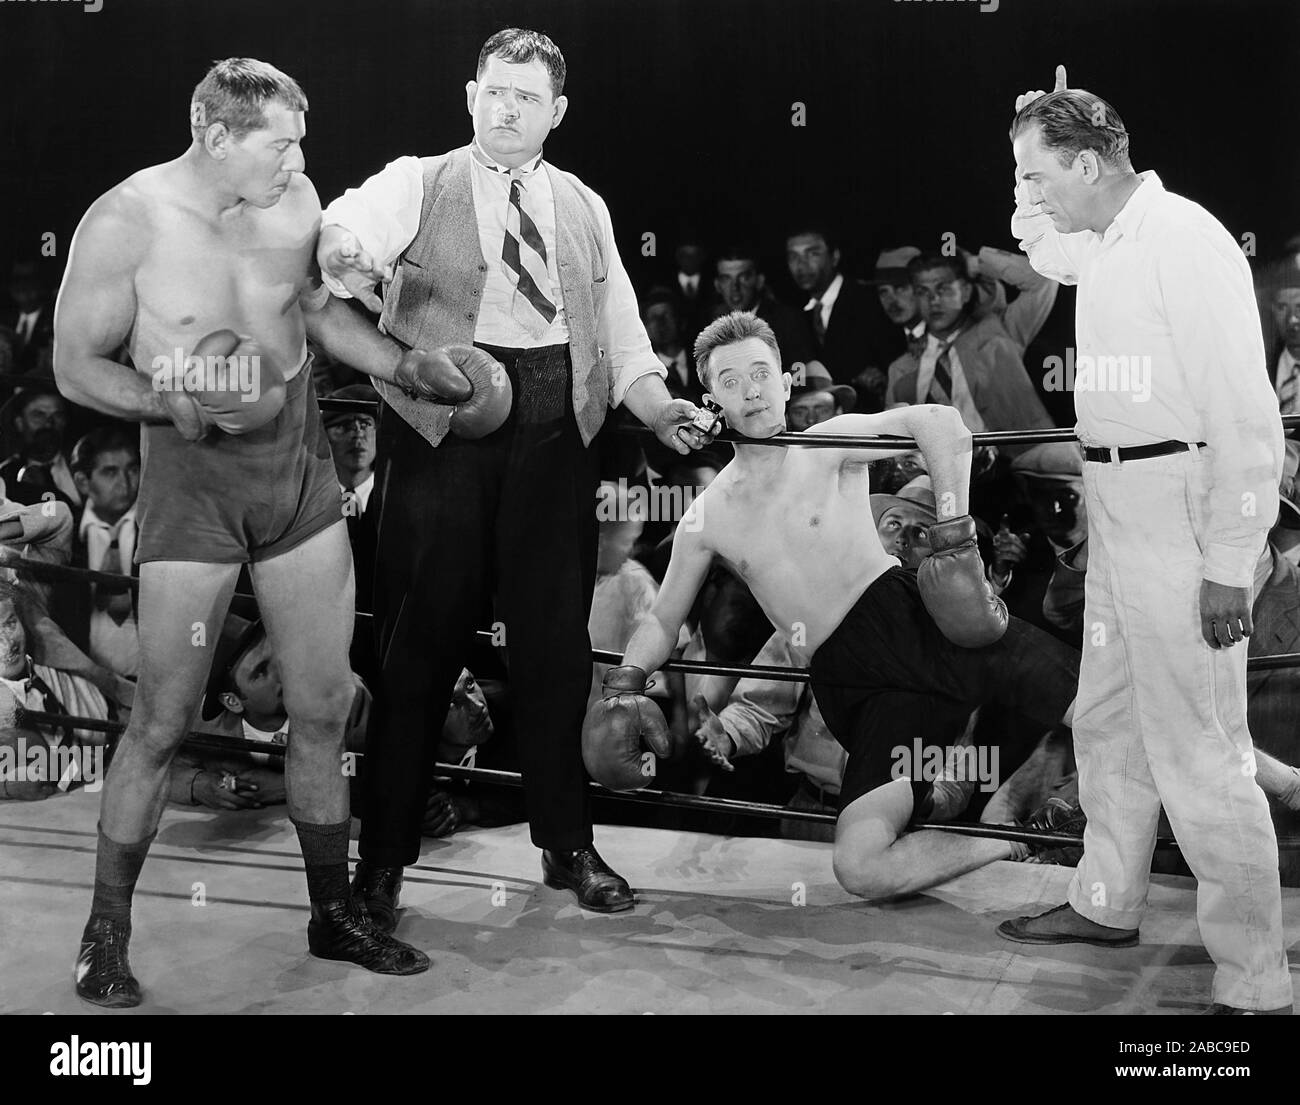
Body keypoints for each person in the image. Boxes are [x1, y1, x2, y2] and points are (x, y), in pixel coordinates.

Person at [53, 56, 436, 1008]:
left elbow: (314, 311)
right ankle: (105, 932)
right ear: (216, 136)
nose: (300, 157)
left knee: (321, 702)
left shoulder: (296, 200)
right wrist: (160, 398)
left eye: (300, 140)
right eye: (281, 140)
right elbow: (72, 366)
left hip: (298, 466)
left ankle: (332, 910)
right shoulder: (126, 221)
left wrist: (403, 366)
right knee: (163, 719)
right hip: (192, 485)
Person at [316, 27, 715, 922]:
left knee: (555, 656)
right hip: (440, 433)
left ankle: (567, 846)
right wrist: (344, 252)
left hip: (555, 439)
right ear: (471, 95)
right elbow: (350, 225)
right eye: (496, 91)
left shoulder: (584, 204)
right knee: (416, 653)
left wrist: (659, 410)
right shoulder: (417, 179)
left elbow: (620, 335)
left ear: (557, 112)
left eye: (528, 98)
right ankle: (380, 862)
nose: (508, 109)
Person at [583, 311, 1082, 899]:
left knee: (1096, 705)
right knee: (861, 867)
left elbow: (941, 424)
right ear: (709, 397)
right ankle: (1026, 837)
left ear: (785, 381)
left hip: (922, 624)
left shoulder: (828, 443)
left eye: (761, 373)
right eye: (731, 380)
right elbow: (664, 620)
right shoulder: (706, 517)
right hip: (859, 689)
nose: (751, 391)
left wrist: (954, 533)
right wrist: (625, 682)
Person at [998, 67, 1291, 1016]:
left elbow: (1251, 417)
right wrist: (1020, 145)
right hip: (1119, 505)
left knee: (1205, 749)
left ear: (1088, 163)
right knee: (1107, 715)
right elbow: (1037, 243)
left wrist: (1225, 563)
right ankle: (1107, 900)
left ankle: (1257, 984)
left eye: (1040, 173)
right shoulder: (1106, 237)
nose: (1033, 194)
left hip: (1180, 505)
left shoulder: (1185, 241)